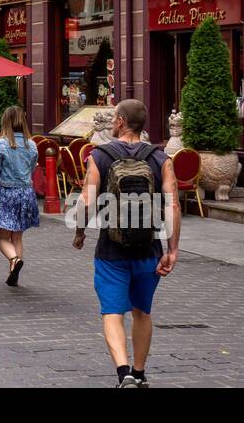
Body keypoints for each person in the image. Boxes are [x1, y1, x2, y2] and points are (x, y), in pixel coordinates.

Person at [73, 99, 179, 388]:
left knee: (112, 312)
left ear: (120, 121)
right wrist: (172, 249)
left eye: (113, 118)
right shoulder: (160, 158)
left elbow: (86, 200)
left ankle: (124, 373)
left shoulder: (100, 155)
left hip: (111, 250)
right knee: (142, 312)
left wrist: (80, 232)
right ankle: (141, 372)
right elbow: (172, 206)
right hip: (149, 249)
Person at [0, 106, 40, 287]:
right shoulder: (31, 144)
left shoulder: (0, 144)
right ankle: (13, 271)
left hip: (6, 192)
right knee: (17, 236)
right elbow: (32, 169)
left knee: (2, 236)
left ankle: (14, 259)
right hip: (26, 192)